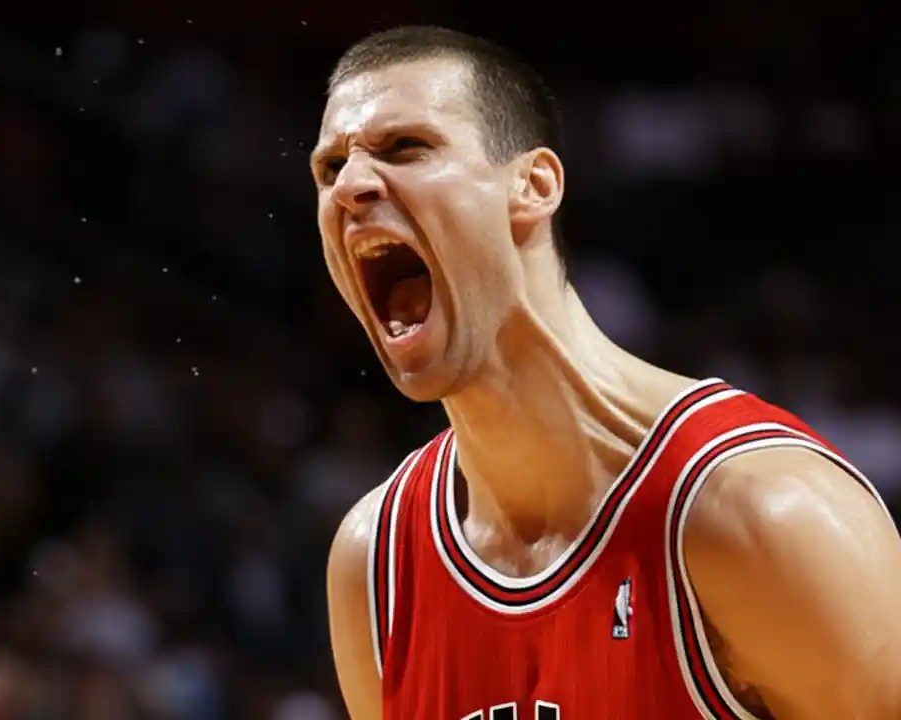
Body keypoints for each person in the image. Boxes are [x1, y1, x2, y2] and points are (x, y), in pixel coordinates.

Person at [313, 25, 901, 719]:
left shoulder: (762, 515)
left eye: (404, 147)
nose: (350, 184)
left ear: (533, 185)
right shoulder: (374, 565)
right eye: (328, 169)